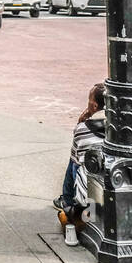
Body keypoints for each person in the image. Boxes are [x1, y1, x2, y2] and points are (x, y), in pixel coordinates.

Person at [53, 83, 106, 246]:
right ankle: (71, 208)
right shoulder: (120, 128)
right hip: (112, 187)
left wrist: (81, 121)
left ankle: (69, 209)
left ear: (95, 105)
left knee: (75, 160)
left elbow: (76, 157)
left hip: (91, 202)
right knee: (80, 160)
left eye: (89, 100)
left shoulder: (83, 129)